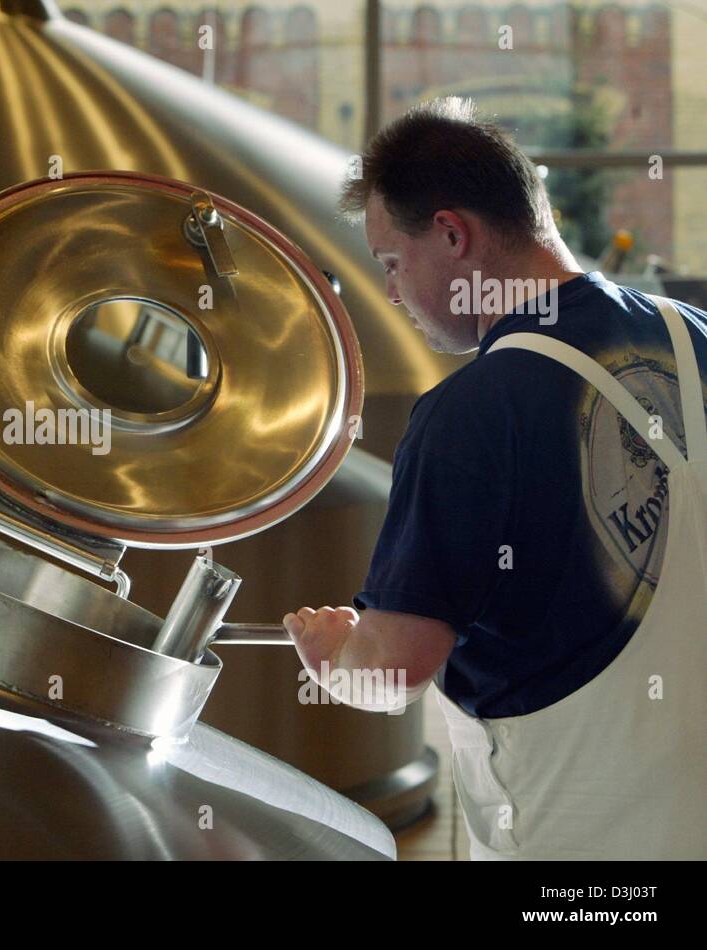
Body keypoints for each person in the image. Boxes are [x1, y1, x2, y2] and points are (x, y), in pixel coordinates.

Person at [282, 97, 707, 859]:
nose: (390, 291)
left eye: (390, 261)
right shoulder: (693, 333)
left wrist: (335, 656)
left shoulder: (469, 415)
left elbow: (393, 671)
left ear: (451, 234)